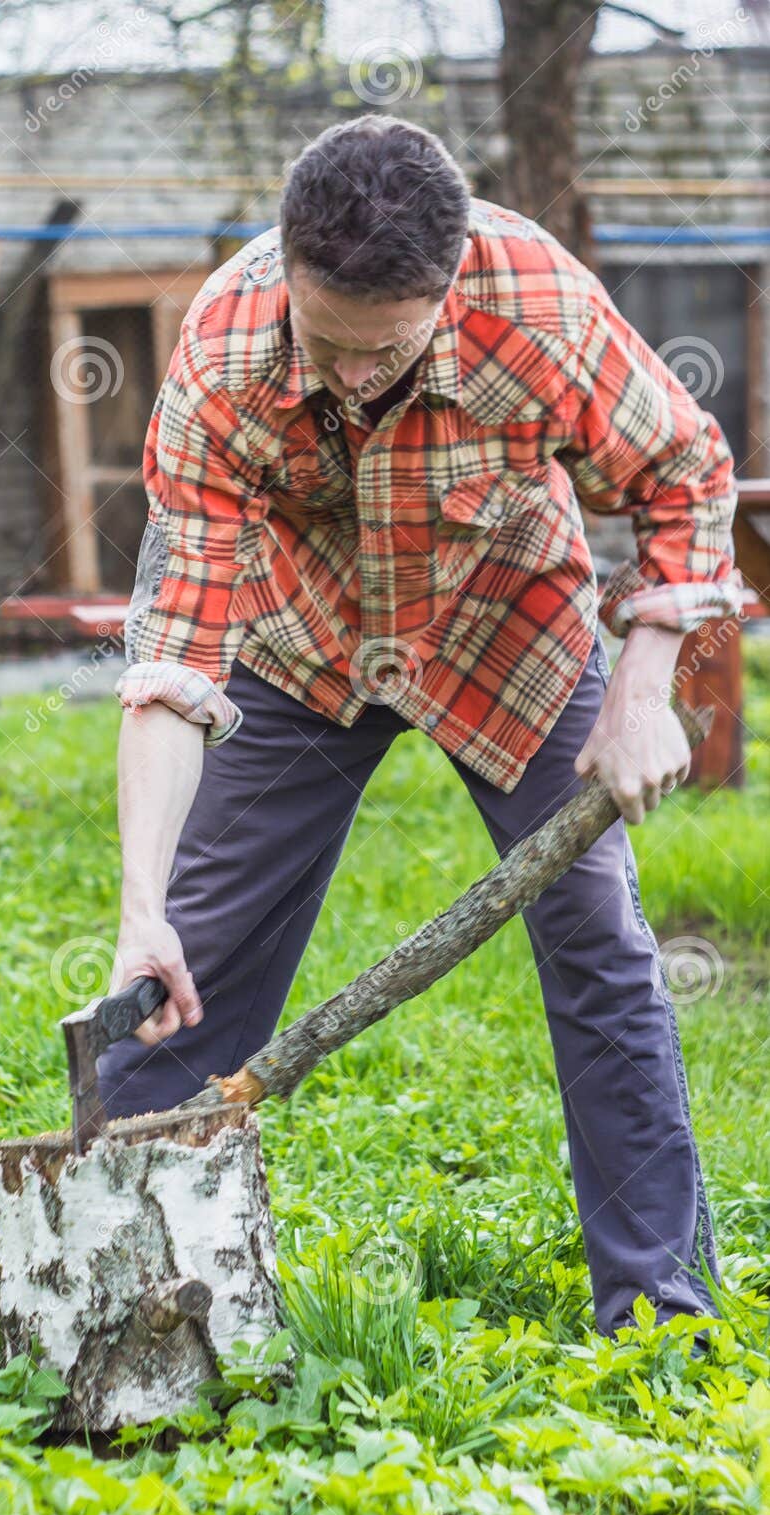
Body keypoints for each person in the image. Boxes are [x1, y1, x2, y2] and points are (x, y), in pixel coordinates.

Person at [95, 114, 743, 1339]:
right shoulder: (224, 354)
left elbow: (684, 474)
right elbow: (174, 649)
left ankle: (657, 1306)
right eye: (325, 342)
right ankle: (131, 1300)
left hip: (509, 629)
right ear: (285, 266)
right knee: (189, 964)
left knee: (599, 945)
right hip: (301, 643)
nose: (347, 374)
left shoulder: (537, 306)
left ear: (442, 292)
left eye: (379, 352)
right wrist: (141, 909)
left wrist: (643, 693)